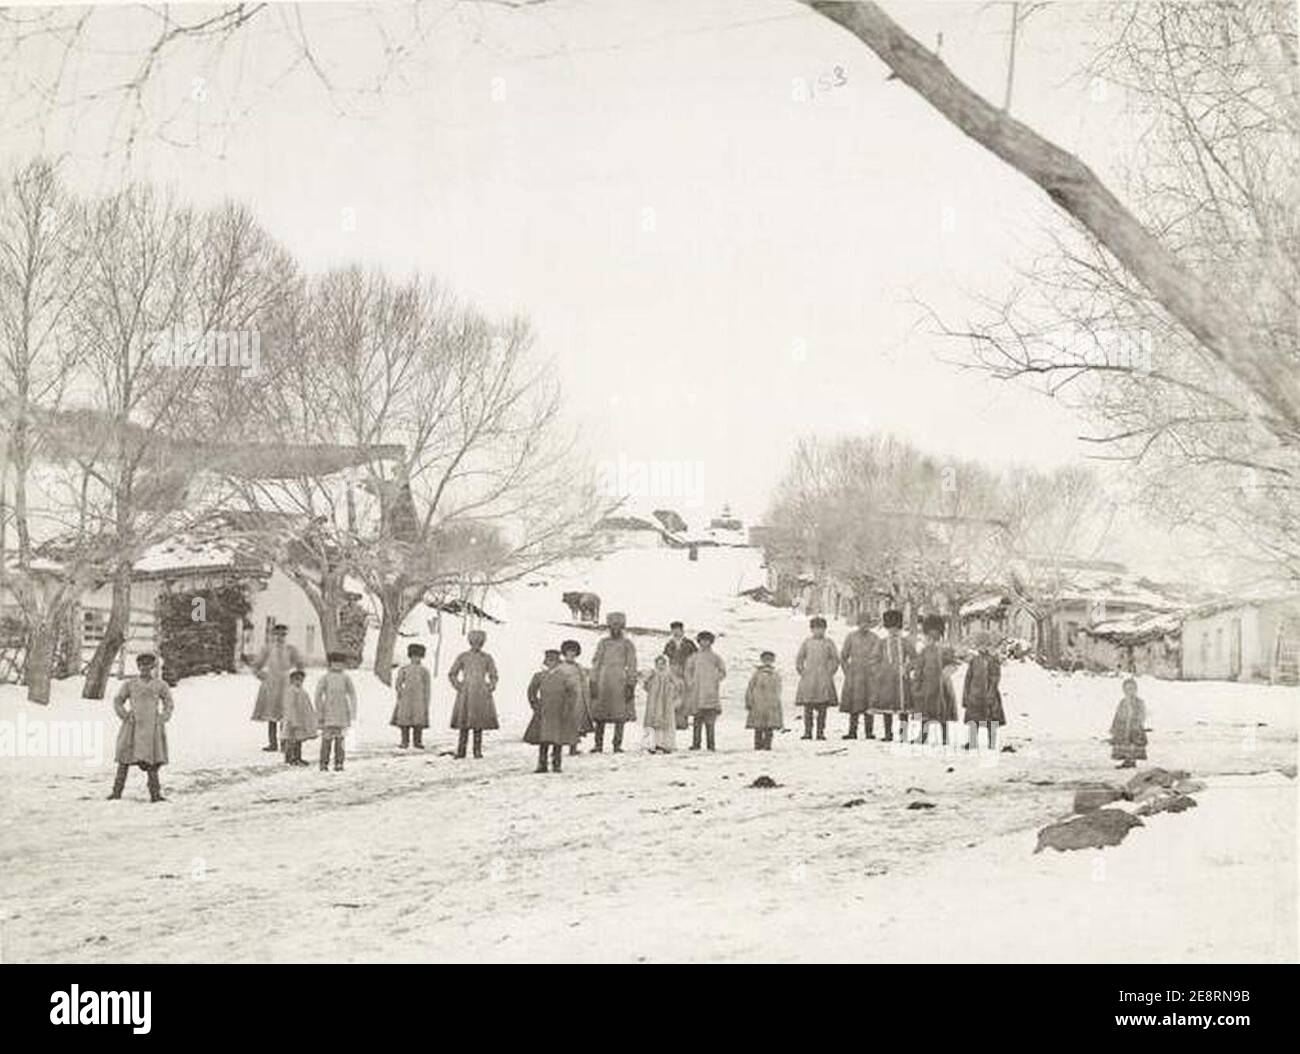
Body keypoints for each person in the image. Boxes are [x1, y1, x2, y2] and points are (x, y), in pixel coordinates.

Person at [107, 652, 174, 803]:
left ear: (152, 667)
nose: (145, 669)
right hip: (133, 727)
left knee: (152, 762)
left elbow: (169, 703)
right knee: (124, 759)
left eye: (148, 666)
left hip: (152, 728)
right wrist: (125, 715)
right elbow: (118, 701)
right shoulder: (130, 684)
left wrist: (163, 717)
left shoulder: (160, 685)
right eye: (142, 666)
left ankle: (155, 794)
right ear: (138, 667)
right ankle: (116, 792)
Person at [250, 623, 304, 753]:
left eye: (283, 635)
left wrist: (297, 680)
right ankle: (272, 743)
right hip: (271, 684)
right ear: (273, 635)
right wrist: (262, 676)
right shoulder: (267, 649)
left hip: (286, 683)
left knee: (285, 714)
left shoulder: (291, 649)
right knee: (272, 715)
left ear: (286, 635)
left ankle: (284, 744)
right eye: (277, 634)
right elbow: (256, 665)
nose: (280, 637)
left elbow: (300, 665)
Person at [524, 648, 579, 773]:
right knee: (543, 739)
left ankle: (556, 764)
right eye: (548, 660)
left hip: (559, 711)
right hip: (544, 711)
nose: (551, 663)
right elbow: (531, 691)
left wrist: (568, 707)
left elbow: (572, 693)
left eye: (553, 660)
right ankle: (542, 764)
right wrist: (535, 705)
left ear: (558, 662)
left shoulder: (564, 677)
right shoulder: (539, 676)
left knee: (557, 739)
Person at [590, 611, 638, 753]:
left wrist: (630, 683)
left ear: (623, 626)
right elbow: (596, 662)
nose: (615, 628)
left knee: (620, 714)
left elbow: (632, 664)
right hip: (603, 680)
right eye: (612, 625)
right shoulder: (603, 643)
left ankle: (617, 744)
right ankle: (598, 744)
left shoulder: (627, 644)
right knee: (600, 714)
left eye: (618, 625)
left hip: (620, 680)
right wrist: (593, 681)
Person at [448, 629, 499, 759]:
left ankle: (477, 751)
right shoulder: (463, 656)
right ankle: (461, 751)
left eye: (480, 642)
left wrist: (491, 686)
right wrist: (458, 685)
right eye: (474, 642)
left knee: (478, 723)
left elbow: (493, 674)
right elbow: (452, 673)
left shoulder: (487, 658)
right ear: (470, 642)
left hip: (481, 693)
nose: (477, 645)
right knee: (463, 723)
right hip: (466, 693)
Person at [912, 614, 959, 745]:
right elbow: (919, 668)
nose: (932, 640)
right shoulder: (924, 651)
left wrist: (947, 672)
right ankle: (923, 735)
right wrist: (917, 682)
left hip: (941, 686)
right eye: (929, 638)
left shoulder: (945, 651)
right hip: (927, 686)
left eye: (935, 638)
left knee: (942, 713)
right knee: (925, 714)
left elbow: (953, 664)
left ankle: (944, 737)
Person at [871, 609, 916, 743]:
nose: (893, 631)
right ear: (887, 629)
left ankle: (903, 734)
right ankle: (888, 733)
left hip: (902, 679)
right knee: (887, 708)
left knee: (903, 709)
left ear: (900, 628)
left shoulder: (906, 642)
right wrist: (879, 672)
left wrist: (907, 668)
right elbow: (874, 659)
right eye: (890, 629)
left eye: (896, 629)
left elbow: (914, 658)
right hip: (886, 680)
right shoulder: (882, 643)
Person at [795, 616, 840, 740]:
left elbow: (835, 659)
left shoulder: (828, 643)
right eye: (815, 629)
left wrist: (830, 672)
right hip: (809, 678)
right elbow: (800, 658)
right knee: (808, 707)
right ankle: (807, 731)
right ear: (811, 630)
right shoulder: (807, 642)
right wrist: (802, 671)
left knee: (822, 707)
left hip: (823, 678)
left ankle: (820, 732)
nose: (818, 631)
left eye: (821, 629)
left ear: (825, 629)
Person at [839, 612, 881, 739]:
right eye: (862, 623)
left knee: (869, 704)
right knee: (854, 705)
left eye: (867, 623)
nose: (864, 626)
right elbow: (844, 656)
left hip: (869, 675)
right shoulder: (851, 637)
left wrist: (876, 671)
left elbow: (879, 657)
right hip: (855, 675)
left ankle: (869, 732)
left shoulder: (875, 638)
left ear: (870, 625)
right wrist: (847, 671)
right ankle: (852, 731)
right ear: (858, 624)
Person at [683, 630, 726, 750]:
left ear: (711, 642)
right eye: (702, 641)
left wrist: (715, 679)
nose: (704, 643)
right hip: (697, 693)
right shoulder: (694, 657)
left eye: (707, 641)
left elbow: (722, 671)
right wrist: (690, 682)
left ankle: (711, 744)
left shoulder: (715, 657)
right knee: (697, 720)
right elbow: (687, 670)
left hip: (711, 693)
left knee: (710, 721)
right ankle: (696, 743)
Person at [962, 631, 1005, 751]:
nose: (983, 648)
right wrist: (966, 696)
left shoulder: (993, 661)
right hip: (974, 695)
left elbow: (995, 678)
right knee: (973, 720)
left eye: (986, 645)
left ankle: (991, 743)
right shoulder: (974, 661)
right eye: (980, 645)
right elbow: (968, 679)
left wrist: (991, 692)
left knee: (991, 720)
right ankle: (972, 742)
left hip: (988, 695)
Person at [315, 651, 357, 772]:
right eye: (335, 663)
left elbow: (352, 694)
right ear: (330, 664)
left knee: (340, 739)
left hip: (342, 713)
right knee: (326, 739)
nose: (338, 665)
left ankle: (339, 762)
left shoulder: (345, 678)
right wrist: (320, 710)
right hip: (328, 712)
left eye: (340, 663)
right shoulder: (326, 678)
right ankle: (324, 763)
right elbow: (318, 694)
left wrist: (352, 711)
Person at [390, 643, 432, 749]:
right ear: (410, 656)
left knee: (418, 721)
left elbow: (427, 686)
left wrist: (426, 700)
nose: (416, 659)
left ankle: (417, 741)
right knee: (405, 721)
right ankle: (404, 741)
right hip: (406, 698)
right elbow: (398, 683)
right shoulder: (404, 669)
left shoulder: (424, 671)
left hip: (419, 699)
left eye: (418, 656)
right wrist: (400, 692)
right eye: (413, 656)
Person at [641, 654, 682, 753]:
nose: (660, 666)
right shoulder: (653, 674)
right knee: (653, 723)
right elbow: (646, 686)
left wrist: (671, 692)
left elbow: (678, 686)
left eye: (662, 664)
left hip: (666, 703)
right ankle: (653, 743)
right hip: (654, 703)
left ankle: (667, 744)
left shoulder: (669, 675)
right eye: (658, 664)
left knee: (666, 723)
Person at [744, 650, 783, 751]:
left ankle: (767, 745)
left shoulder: (776, 674)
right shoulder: (757, 674)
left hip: (771, 704)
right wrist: (749, 700)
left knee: (769, 727)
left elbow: (778, 689)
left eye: (770, 660)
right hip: (758, 703)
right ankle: (758, 745)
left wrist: (776, 702)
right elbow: (750, 687)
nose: (767, 662)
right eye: (765, 660)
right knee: (758, 726)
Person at [560, 639, 593, 756]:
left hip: (579, 699)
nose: (571, 653)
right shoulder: (561, 667)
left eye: (574, 651)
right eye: (569, 651)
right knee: (564, 723)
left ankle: (573, 747)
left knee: (576, 723)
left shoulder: (579, 667)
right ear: (564, 652)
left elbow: (584, 682)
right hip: (566, 699)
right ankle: (557, 749)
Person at [281, 668, 317, 766]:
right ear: (292, 680)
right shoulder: (291, 692)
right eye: (296, 679)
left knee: (298, 740)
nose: (299, 682)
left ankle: (297, 757)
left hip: (300, 720)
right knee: (292, 740)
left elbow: (307, 706)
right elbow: (290, 707)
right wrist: (293, 720)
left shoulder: (302, 692)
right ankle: (290, 758)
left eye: (301, 680)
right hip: (292, 721)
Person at [1109, 676, 1148, 768]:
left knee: (1133, 743)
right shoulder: (1123, 702)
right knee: (1123, 743)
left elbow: (1142, 713)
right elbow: (1118, 714)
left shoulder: (1139, 702)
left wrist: (1138, 723)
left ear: (1135, 689)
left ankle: (1132, 760)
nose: (1129, 691)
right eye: (1126, 689)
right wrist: (1114, 725)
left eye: (1131, 689)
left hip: (1134, 727)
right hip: (1123, 726)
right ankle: (1127, 759)